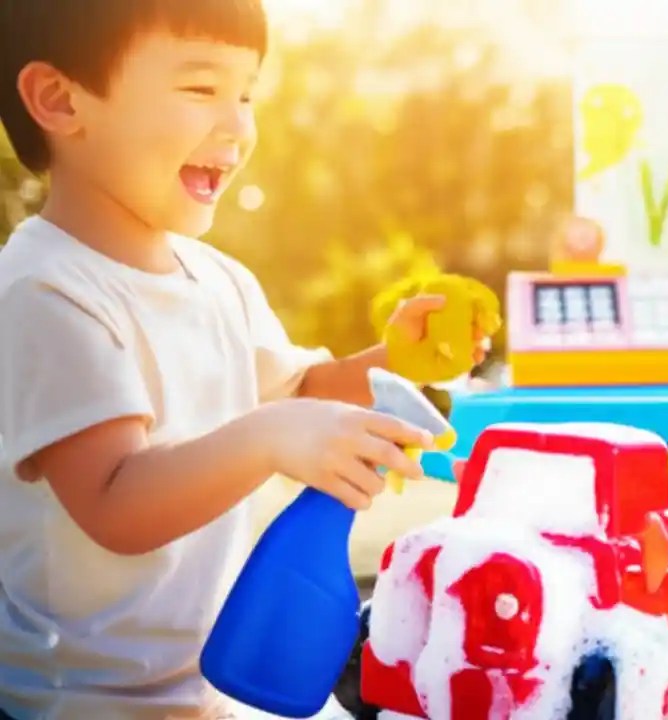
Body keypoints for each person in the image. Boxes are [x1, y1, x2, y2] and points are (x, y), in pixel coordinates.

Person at [0, 2, 481, 718]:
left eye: (247, 94)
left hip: (212, 680)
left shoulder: (219, 281)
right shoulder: (45, 293)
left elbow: (306, 388)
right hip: (83, 701)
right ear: (60, 100)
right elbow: (115, 503)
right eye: (201, 90)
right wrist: (270, 435)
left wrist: (399, 359)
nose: (237, 127)